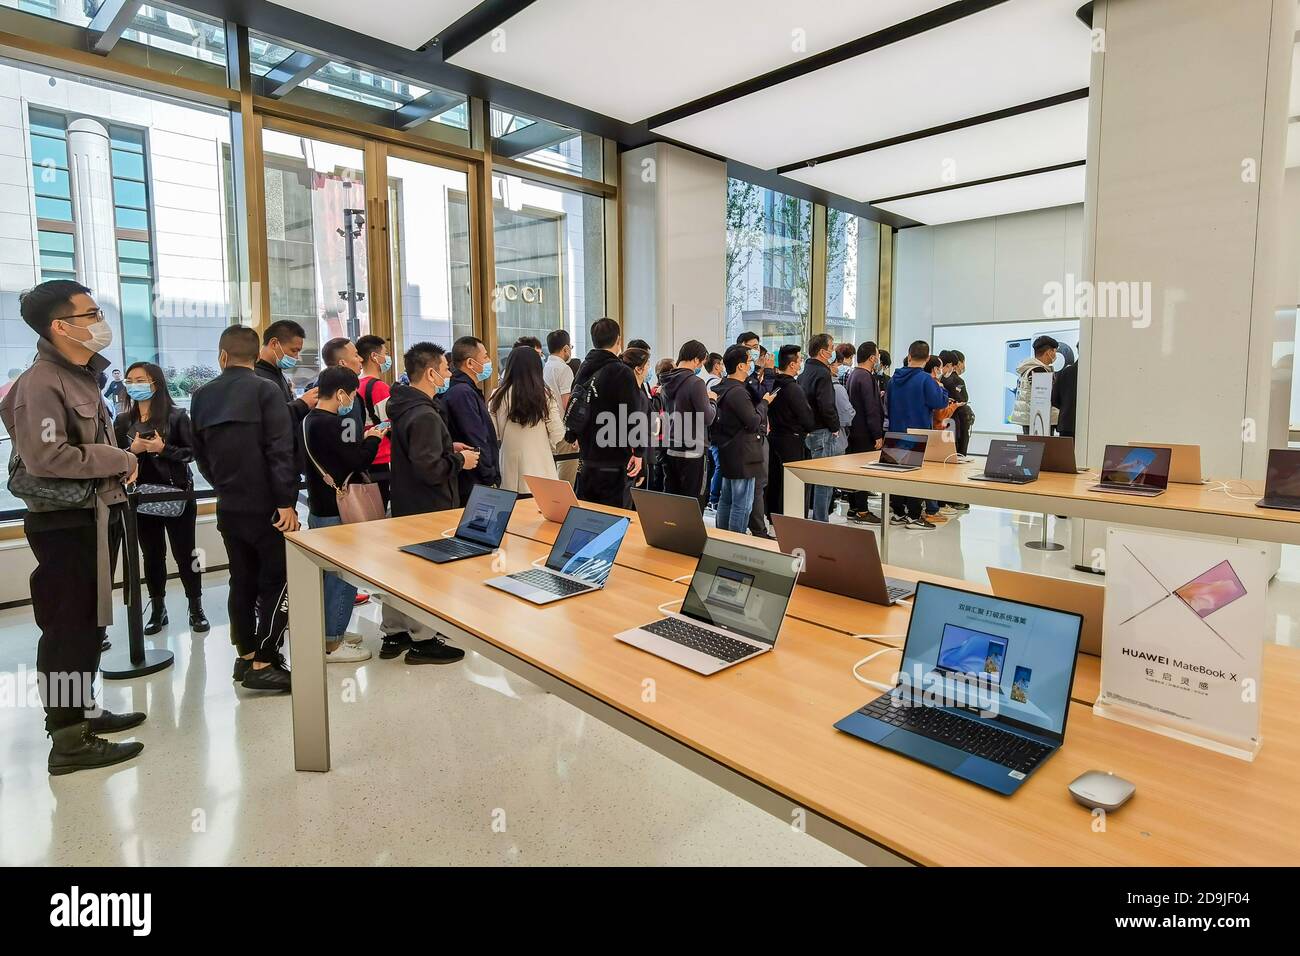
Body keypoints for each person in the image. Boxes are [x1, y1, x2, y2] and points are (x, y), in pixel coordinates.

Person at [1, 280, 143, 774]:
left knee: (86, 627)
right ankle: (68, 739)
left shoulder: (81, 376)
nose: (100, 321)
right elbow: (46, 456)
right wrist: (120, 456)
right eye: (91, 313)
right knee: (67, 629)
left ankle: (82, 710)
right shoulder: (41, 382)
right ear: (61, 326)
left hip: (93, 516)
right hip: (64, 523)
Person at [191, 324, 299, 691]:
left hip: (229, 505)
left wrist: (223, 485)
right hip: (268, 506)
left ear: (222, 356)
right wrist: (286, 501)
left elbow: (200, 455)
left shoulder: (201, 396)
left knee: (241, 581)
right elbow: (280, 451)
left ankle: (245, 655)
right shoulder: (266, 391)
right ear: (255, 357)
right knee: (278, 583)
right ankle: (266, 660)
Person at [386, 342, 479, 664]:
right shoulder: (424, 413)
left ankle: (394, 631)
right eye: (444, 368)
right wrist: (459, 460)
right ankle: (423, 641)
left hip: (406, 502)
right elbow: (429, 469)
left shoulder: (406, 407)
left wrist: (446, 446)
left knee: (404, 571)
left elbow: (419, 452)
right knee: (426, 574)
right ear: (430, 372)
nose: (448, 374)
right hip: (428, 505)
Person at [114, 361, 207, 635]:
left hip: (177, 495)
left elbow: (191, 453)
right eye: (130, 380)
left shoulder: (177, 416)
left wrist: (162, 448)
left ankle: (196, 607)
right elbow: (115, 458)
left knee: (187, 553)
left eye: (140, 380)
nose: (134, 385)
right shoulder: (122, 421)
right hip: (139, 500)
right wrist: (132, 450)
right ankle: (157, 609)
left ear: (155, 383)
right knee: (152, 555)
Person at [302, 365, 384, 663]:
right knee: (342, 577)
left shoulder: (308, 419)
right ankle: (333, 644)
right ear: (340, 394)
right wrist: (374, 437)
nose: (351, 401)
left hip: (319, 505)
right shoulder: (331, 424)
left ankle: (329, 632)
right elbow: (355, 460)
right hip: (337, 509)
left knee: (328, 576)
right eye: (350, 395)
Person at [571, 318, 642, 508]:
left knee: (588, 516)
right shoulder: (622, 372)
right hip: (615, 460)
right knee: (616, 519)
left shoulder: (583, 369)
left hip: (587, 459)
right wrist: (639, 452)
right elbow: (634, 415)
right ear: (618, 340)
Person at [886, 340, 951, 530]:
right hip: (918, 433)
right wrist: (941, 385)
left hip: (895, 432)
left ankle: (897, 513)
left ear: (909, 355)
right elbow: (939, 402)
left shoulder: (893, 379)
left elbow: (887, 405)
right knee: (915, 477)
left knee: (896, 476)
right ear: (928, 358)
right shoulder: (925, 380)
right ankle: (914, 516)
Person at [711, 344, 775, 532]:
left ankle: (722, 538)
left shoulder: (721, 386)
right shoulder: (738, 392)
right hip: (743, 453)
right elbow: (753, 421)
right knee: (742, 504)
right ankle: (734, 542)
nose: (751, 365)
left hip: (728, 448)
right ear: (740, 366)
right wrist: (764, 403)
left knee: (727, 499)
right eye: (749, 361)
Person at [489, 343, 565, 492]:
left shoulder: (497, 395)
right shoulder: (545, 395)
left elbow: (494, 433)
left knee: (511, 507)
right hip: (540, 462)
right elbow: (557, 433)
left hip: (508, 460)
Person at [254, 319, 318, 476]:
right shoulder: (257, 378)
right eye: (293, 350)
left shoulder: (277, 374)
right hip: (270, 467)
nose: (297, 357)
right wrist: (302, 403)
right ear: (274, 343)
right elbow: (270, 420)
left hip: (286, 463)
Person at [442, 335, 501, 502]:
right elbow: (475, 436)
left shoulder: (467, 390)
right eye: (485, 357)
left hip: (472, 478)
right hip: (472, 481)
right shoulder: (463, 393)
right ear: (470, 363)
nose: (489, 361)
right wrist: (489, 474)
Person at [658, 340, 715, 507]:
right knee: (694, 500)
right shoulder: (696, 383)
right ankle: (691, 534)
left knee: (673, 499)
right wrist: (713, 401)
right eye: (702, 363)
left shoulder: (666, 381)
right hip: (694, 450)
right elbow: (708, 417)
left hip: (671, 446)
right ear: (696, 360)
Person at [765, 344, 815, 518]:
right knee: (792, 485)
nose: (801, 363)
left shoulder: (771, 385)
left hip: (774, 438)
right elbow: (807, 419)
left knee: (775, 481)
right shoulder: (794, 389)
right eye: (799, 360)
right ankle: (792, 520)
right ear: (792, 364)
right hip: (793, 442)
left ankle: (773, 519)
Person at [797, 333, 840, 522]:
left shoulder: (804, 372)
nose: (833, 351)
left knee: (811, 479)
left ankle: (810, 517)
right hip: (822, 431)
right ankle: (821, 520)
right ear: (823, 352)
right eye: (831, 348)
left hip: (808, 430)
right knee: (824, 480)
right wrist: (835, 426)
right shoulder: (823, 373)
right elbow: (826, 405)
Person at [846, 341, 885, 524]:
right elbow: (871, 408)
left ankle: (854, 507)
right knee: (863, 471)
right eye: (877, 355)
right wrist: (877, 434)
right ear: (872, 358)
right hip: (865, 433)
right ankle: (862, 510)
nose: (878, 359)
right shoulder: (866, 377)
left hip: (854, 431)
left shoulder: (853, 374)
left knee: (855, 471)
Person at [354, 333, 394, 505]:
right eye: (384, 353)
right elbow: (390, 423)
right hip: (380, 456)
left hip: (364, 455)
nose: (387, 358)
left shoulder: (356, 385)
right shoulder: (379, 387)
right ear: (374, 356)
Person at [544, 328, 579, 483]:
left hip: (549, 430)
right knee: (566, 479)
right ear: (565, 348)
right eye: (570, 348)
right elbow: (568, 403)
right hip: (564, 431)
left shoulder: (545, 367)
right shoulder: (564, 369)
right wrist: (575, 433)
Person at [1010, 335, 1059, 433]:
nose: (1055, 355)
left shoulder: (1028, 369)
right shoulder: (1039, 370)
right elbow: (1044, 398)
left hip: (1031, 419)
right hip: (1039, 421)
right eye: (1055, 351)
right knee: (1042, 447)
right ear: (1049, 352)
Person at [702, 352, 724, 512]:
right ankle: (714, 498)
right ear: (717, 365)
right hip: (716, 430)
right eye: (721, 364)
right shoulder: (717, 383)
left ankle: (711, 496)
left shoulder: (704, 382)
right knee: (719, 466)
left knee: (713, 465)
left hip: (708, 431)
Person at [1053, 357, 1078, 438]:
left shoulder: (1066, 371)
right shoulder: (1094, 372)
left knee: (1065, 450)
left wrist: (1066, 408)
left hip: (1066, 423)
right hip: (1089, 425)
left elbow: (1054, 399)